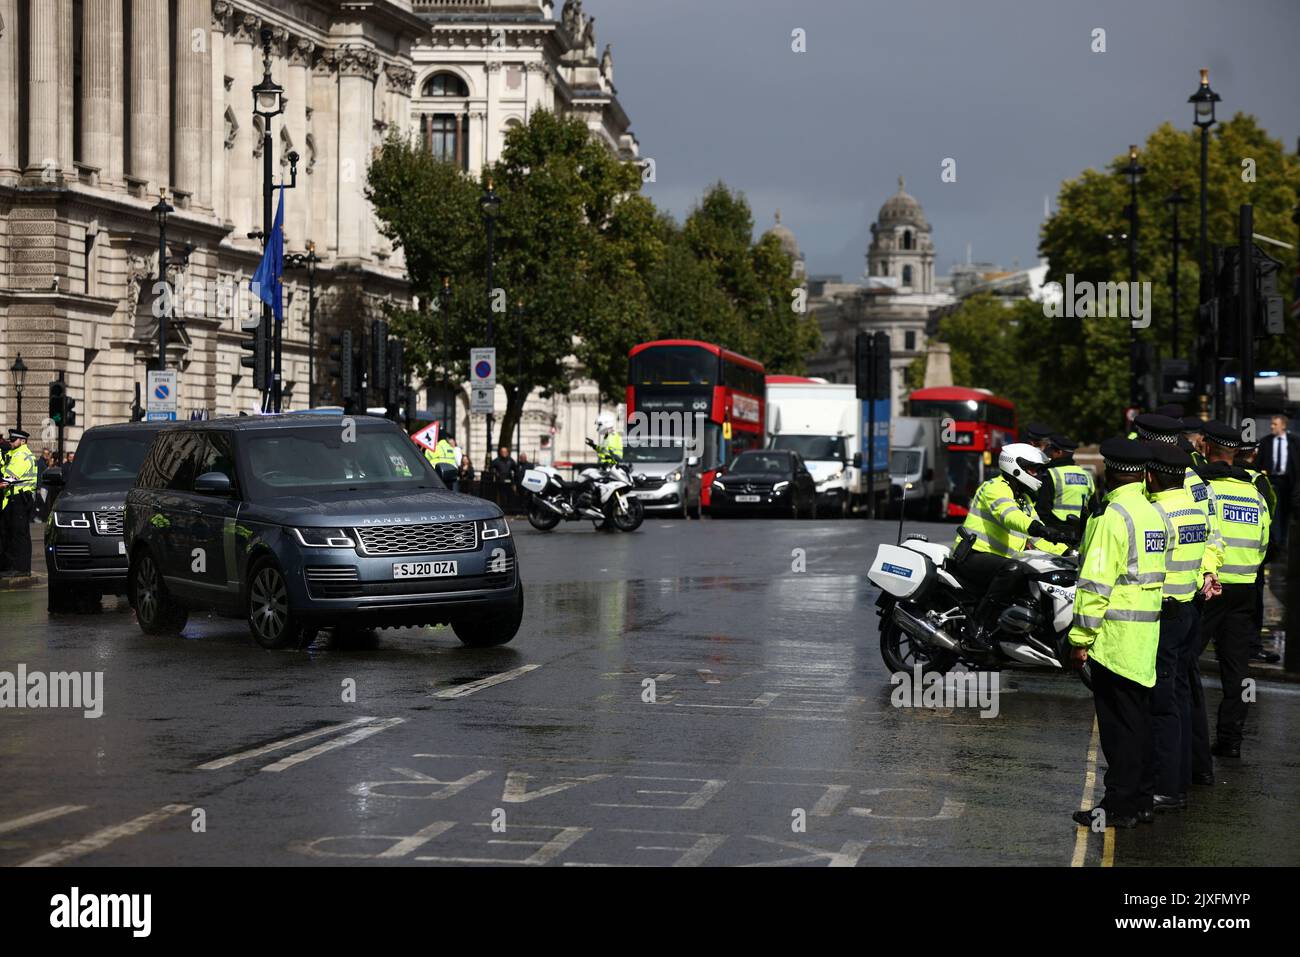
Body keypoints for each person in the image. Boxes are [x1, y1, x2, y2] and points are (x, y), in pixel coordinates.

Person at [1070, 437, 1167, 829]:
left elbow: (1095, 585)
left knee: (1117, 731)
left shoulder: (1114, 516)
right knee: (1139, 724)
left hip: (1114, 641)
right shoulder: (1152, 513)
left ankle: (1118, 805)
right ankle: (1141, 800)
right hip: (1145, 639)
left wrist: (1080, 640)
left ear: (1109, 472)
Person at [1141, 443, 1212, 817]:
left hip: (1164, 614)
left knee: (1162, 701)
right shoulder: (1194, 511)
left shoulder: (1157, 514)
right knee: (1180, 697)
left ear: (1151, 476)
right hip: (1188, 609)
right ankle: (1180, 777)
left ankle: (1165, 787)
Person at [1195, 420, 1271, 761]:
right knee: (1238, 672)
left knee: (1183, 662)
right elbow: (1265, 540)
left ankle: (1186, 740)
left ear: (1207, 449)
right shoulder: (1255, 493)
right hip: (1245, 590)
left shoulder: (1204, 489)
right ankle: (1231, 740)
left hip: (1211, 588)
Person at [949, 442, 1072, 650]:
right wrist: (1038, 528)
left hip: (998, 561)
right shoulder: (994, 488)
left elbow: (1037, 539)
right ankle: (977, 628)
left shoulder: (1023, 499)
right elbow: (1010, 517)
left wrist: (1068, 551)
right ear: (1016, 466)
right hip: (973, 556)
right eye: (1033, 469)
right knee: (1014, 570)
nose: (1038, 475)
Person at [1235, 439, 1280, 664]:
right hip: (1251, 563)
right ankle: (1251, 646)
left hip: (1218, 563)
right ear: (1253, 454)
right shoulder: (1258, 481)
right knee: (1250, 608)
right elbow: (1270, 519)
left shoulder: (1215, 477)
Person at [1035, 433, 1096, 532]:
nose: (1049, 453)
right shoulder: (1086, 475)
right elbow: (1093, 508)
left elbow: (1042, 510)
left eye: (1051, 450)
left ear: (1059, 452)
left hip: (1055, 533)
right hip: (1080, 533)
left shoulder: (1052, 474)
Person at [0, 428, 39, 578]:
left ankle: (21, 568)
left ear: (22, 441)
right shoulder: (14, 453)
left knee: (19, 534)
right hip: (12, 498)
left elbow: (8, 478)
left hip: (20, 499)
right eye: (10, 439)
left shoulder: (22, 455)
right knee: (8, 533)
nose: (11, 442)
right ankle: (10, 566)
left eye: (13, 440)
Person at [1258, 414, 1296, 547]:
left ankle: (1283, 542)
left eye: (1275, 424)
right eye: (1271, 423)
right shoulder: (1265, 441)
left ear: (1283, 426)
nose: (1271, 426)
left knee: (1285, 512)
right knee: (1273, 511)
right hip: (1271, 480)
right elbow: (1260, 461)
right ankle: (1273, 541)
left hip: (1287, 482)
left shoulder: (1293, 442)